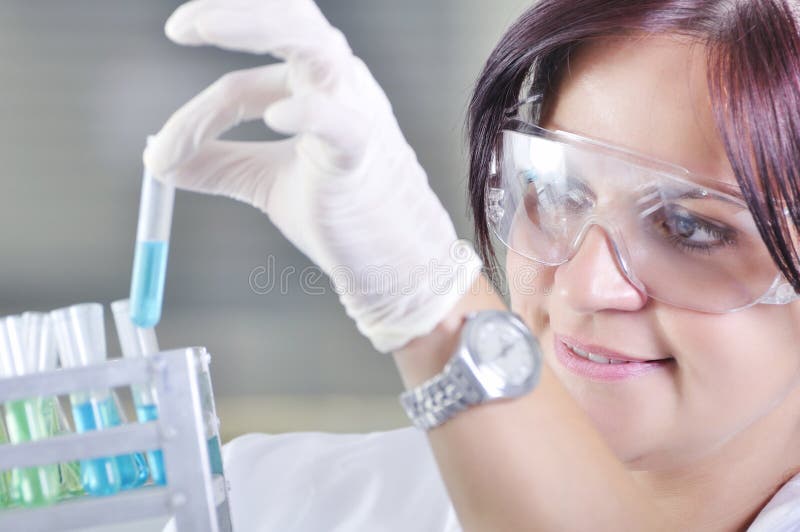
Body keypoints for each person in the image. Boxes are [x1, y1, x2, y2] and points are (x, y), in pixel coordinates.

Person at [148, 0, 800, 530]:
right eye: (558, 192)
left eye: (689, 228)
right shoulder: (277, 504)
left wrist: (430, 303)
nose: (584, 285)